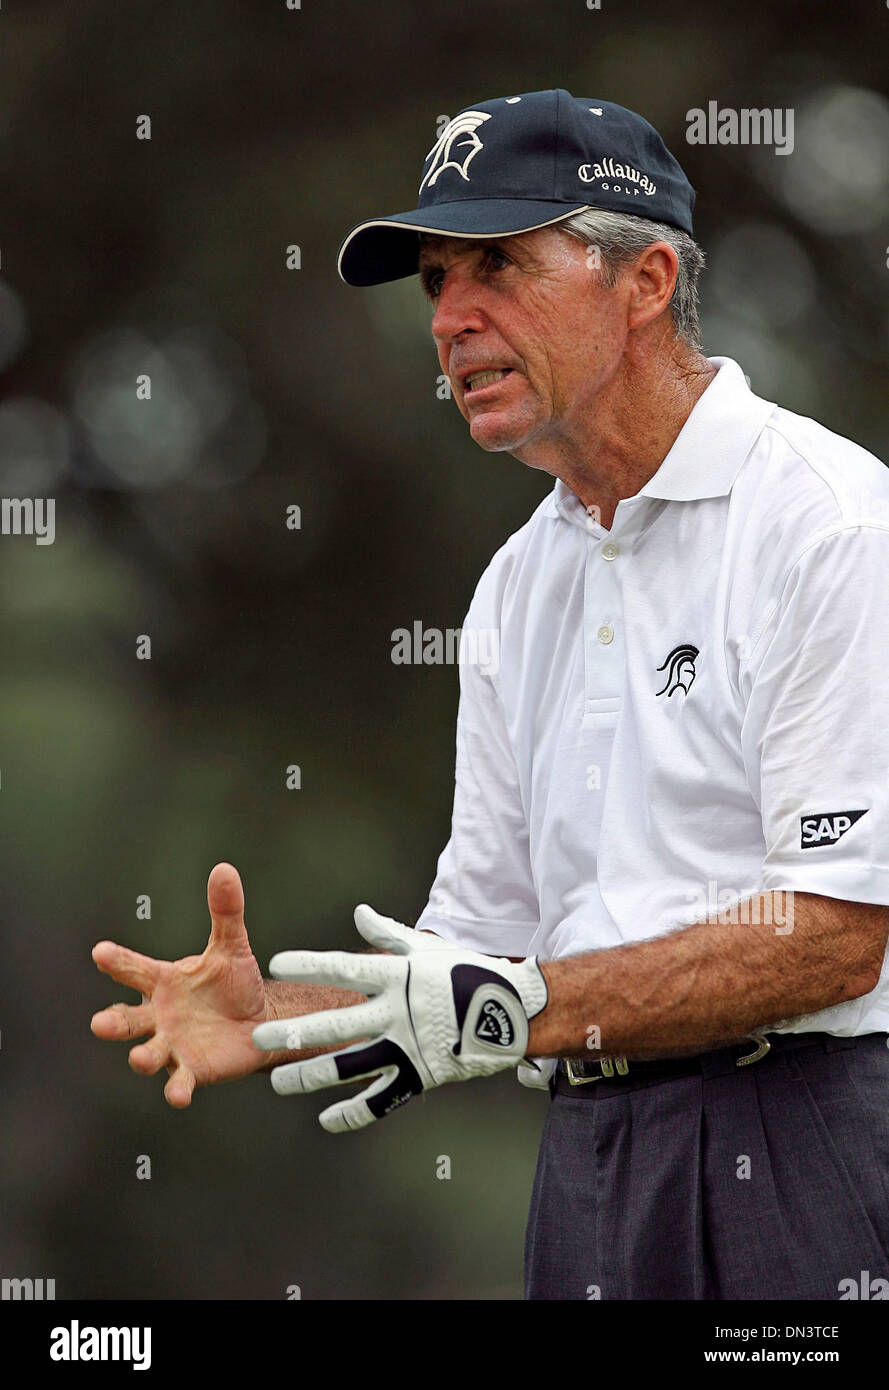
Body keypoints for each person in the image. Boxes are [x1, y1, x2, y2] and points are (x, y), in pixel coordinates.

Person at [92, 89, 889, 1300]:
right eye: (434, 285)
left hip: (803, 1141)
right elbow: (478, 961)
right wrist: (280, 1009)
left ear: (646, 281)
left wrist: (524, 1006)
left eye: (500, 267)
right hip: (588, 1159)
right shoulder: (520, 581)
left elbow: (837, 936)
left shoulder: (828, 524)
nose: (452, 319)